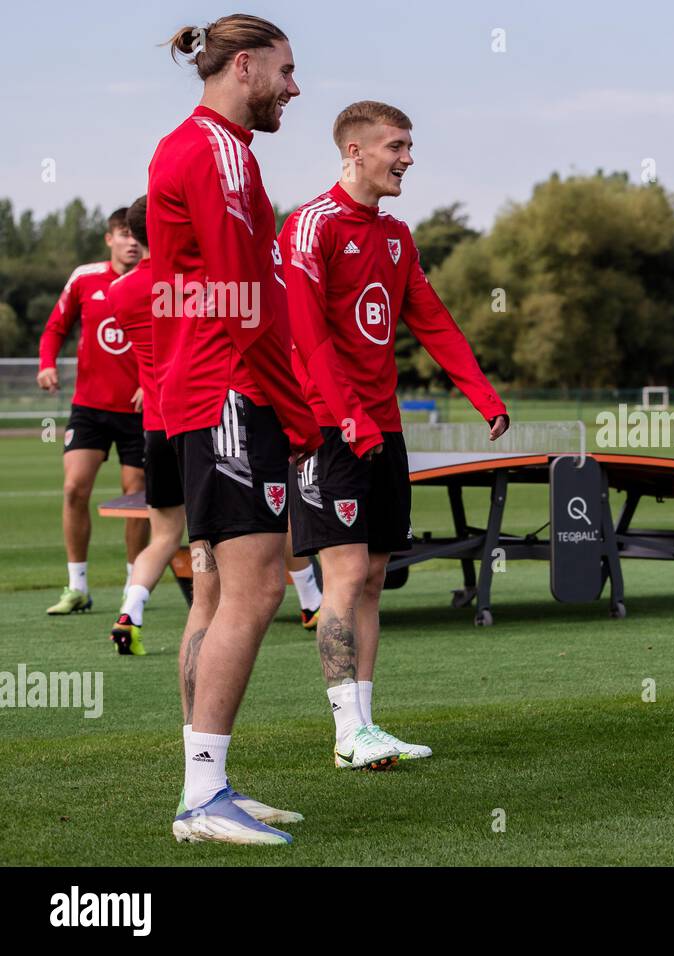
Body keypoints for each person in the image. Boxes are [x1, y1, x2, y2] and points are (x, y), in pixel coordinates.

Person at [282, 100, 508, 770]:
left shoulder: (397, 236)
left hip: (381, 427)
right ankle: (346, 729)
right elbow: (305, 330)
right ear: (354, 150)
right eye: (397, 146)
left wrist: (482, 392)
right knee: (345, 574)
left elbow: (431, 320)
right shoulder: (310, 226)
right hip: (328, 427)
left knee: (376, 576)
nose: (408, 158)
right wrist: (345, 412)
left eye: (410, 146)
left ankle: (365, 729)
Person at [149, 13, 323, 845]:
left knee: (217, 591)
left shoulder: (216, 152)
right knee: (255, 588)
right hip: (230, 391)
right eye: (286, 71)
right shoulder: (214, 150)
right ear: (245, 66)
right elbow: (239, 298)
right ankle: (200, 799)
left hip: (210, 389)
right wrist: (299, 410)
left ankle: (207, 785)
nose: (295, 87)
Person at [38, 208, 147, 615]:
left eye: (136, 235)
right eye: (123, 234)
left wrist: (149, 383)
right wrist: (47, 362)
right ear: (109, 239)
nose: (131, 241)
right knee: (73, 488)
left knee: (136, 498)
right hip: (89, 407)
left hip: (140, 410)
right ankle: (77, 586)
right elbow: (55, 327)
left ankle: (133, 584)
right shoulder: (85, 278)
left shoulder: (157, 281)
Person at [105, 196, 184, 656]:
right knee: (219, 536)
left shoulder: (120, 291)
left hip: (155, 425)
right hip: (204, 422)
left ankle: (129, 612)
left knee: (165, 535)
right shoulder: (195, 280)